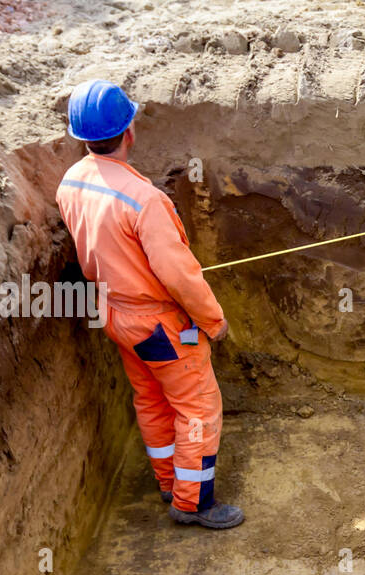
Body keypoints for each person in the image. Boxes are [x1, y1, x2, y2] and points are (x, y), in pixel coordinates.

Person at [56, 79, 243, 529]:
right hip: (158, 325)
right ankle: (192, 502)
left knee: (151, 398)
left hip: (115, 316)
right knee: (197, 409)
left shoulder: (71, 182)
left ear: (82, 136)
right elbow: (179, 275)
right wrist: (213, 321)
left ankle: (166, 480)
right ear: (129, 131)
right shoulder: (145, 201)